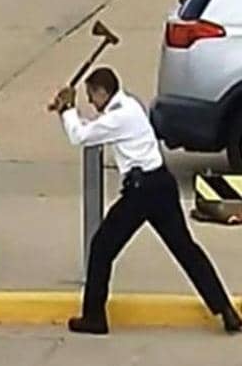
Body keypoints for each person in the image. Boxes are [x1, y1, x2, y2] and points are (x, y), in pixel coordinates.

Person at [50, 67, 241, 335]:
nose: (91, 103)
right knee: (186, 250)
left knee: (102, 247)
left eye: (92, 96)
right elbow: (92, 128)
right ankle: (226, 311)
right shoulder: (131, 105)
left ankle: (94, 317)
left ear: (103, 92)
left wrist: (67, 109)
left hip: (141, 192)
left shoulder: (118, 117)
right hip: (162, 185)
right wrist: (70, 111)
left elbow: (80, 136)